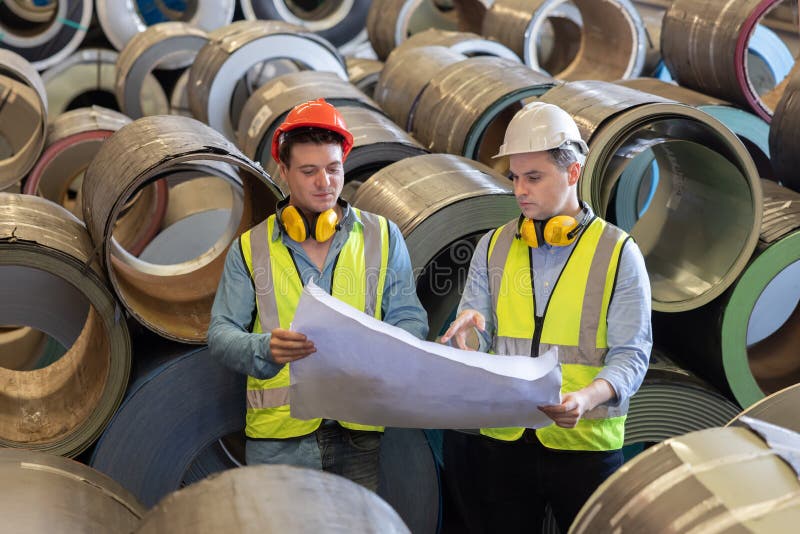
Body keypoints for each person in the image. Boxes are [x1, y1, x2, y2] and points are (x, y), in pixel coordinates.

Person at [439, 101, 652, 532]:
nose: (520, 190)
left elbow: (632, 356)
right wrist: (468, 339)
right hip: (506, 441)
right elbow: (479, 326)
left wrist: (585, 399)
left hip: (586, 445)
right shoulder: (495, 246)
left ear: (573, 173)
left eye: (534, 178)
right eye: (515, 177)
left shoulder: (617, 253)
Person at [208, 98, 429, 491]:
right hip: (280, 439)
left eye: (333, 169)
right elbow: (221, 334)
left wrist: (382, 345)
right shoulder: (251, 247)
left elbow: (410, 318)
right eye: (309, 171)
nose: (325, 182)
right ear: (284, 171)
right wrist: (264, 349)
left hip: (358, 431)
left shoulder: (382, 236)